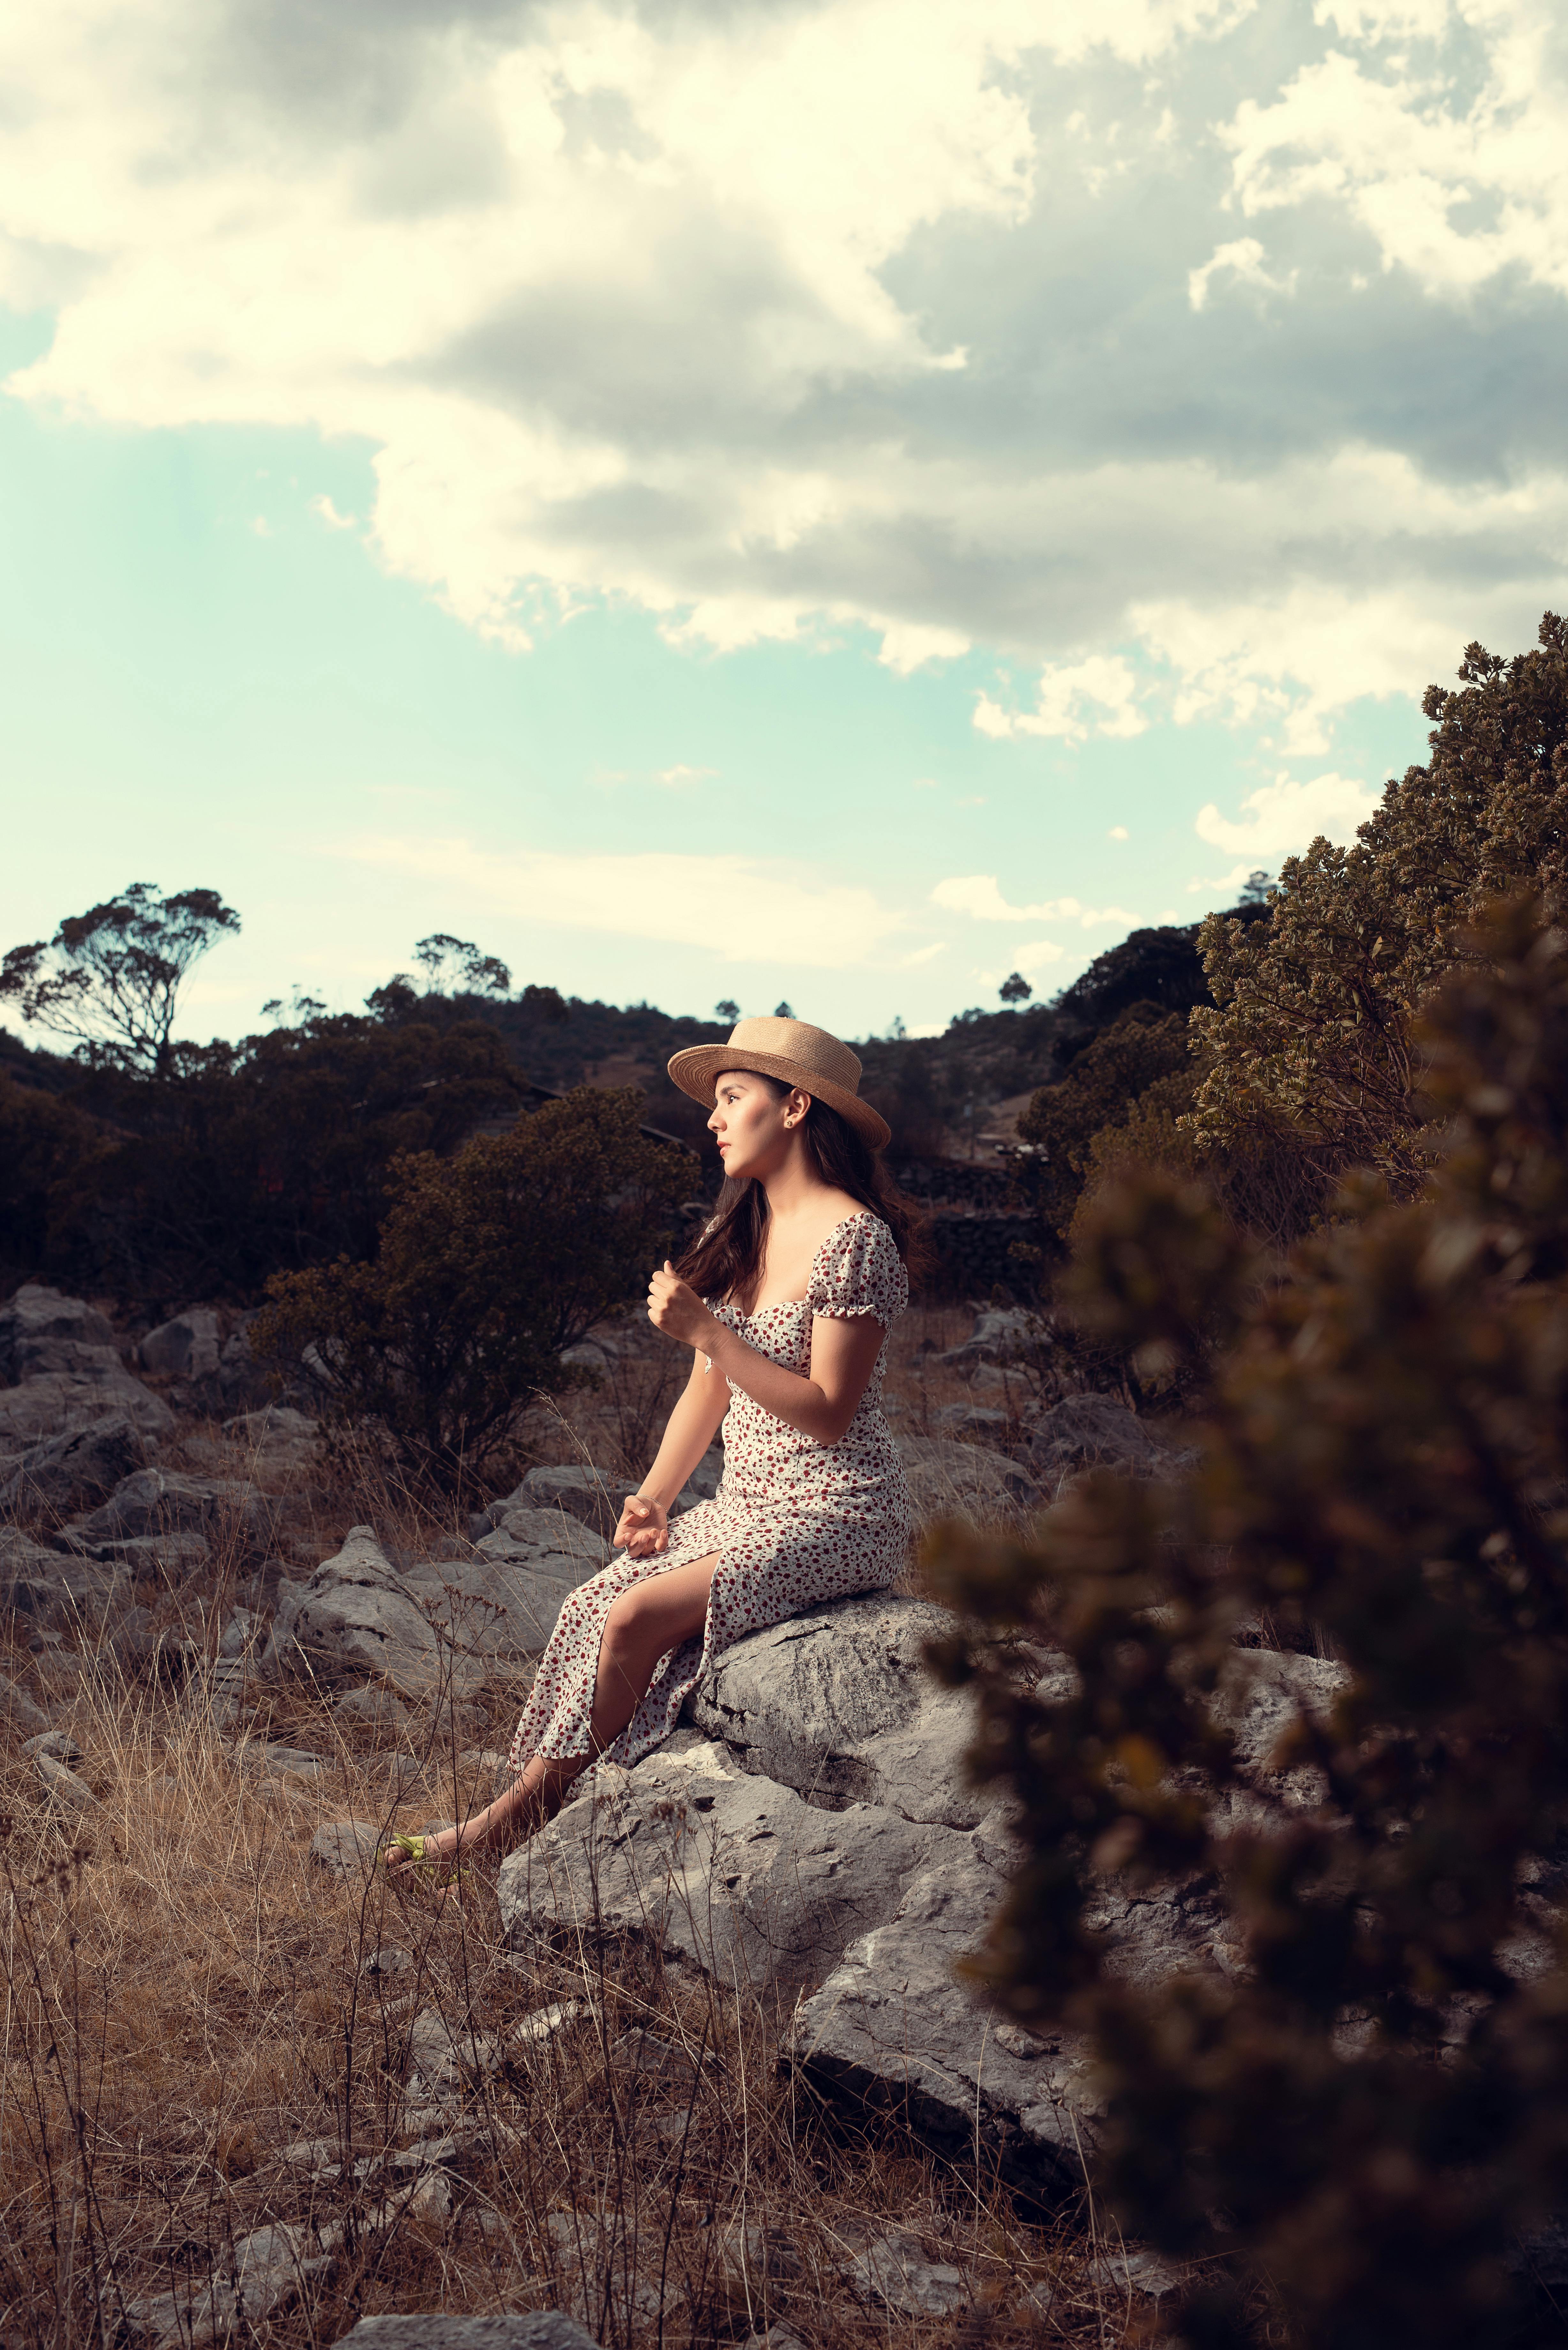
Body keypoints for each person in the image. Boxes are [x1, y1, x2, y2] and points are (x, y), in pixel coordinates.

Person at [384, 1013, 919, 1878]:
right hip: (748, 1506)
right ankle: (543, 1791)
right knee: (588, 1606)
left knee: (635, 1617)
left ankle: (509, 1825)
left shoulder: (856, 1239)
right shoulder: (737, 1231)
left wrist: (710, 1331)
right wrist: (658, 1498)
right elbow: (706, 1393)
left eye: (734, 1098)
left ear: (794, 1109)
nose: (713, 1119)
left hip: (840, 1511)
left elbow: (826, 1411)